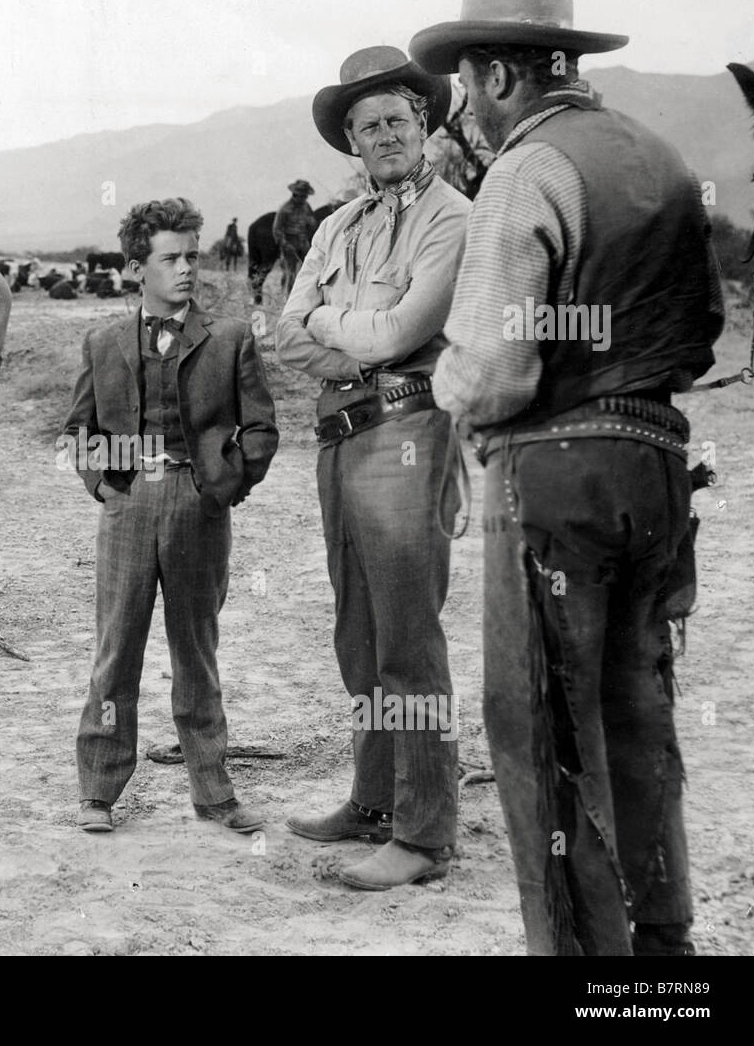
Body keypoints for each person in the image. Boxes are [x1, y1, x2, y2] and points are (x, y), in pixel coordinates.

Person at [411, 0, 724, 954]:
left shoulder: (525, 169)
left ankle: (580, 965)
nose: (463, 108)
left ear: (500, 72)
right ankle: (661, 949)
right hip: (657, 472)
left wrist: (440, 385)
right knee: (638, 709)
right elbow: (705, 329)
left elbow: (498, 368)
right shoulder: (664, 159)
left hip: (551, 478)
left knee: (540, 729)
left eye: (466, 85)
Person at [275, 46, 469, 889]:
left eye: (397, 118)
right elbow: (286, 335)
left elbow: (401, 337)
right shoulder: (334, 226)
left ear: (424, 124)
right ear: (350, 143)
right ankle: (372, 798)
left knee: (408, 635)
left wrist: (335, 321)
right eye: (367, 125)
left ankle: (424, 834)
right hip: (339, 437)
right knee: (356, 631)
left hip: (409, 434)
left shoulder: (453, 218)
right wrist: (358, 328)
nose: (384, 134)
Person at [63, 197, 278, 835]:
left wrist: (225, 485)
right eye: (169, 258)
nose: (186, 269)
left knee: (197, 651)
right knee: (116, 650)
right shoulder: (102, 342)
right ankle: (97, 792)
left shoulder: (231, 338)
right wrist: (102, 483)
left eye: (192, 257)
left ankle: (214, 791)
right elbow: (79, 429)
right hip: (128, 507)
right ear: (135, 268)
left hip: (198, 506)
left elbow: (261, 427)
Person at [272, 180, 318, 289]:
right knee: (290, 273)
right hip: (289, 242)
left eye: (305, 196)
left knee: (311, 268)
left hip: (303, 241)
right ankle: (288, 298)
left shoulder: (306, 207)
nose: (304, 199)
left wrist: (311, 222)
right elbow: (277, 229)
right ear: (295, 194)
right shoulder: (285, 208)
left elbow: (313, 225)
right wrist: (285, 244)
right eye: (302, 196)